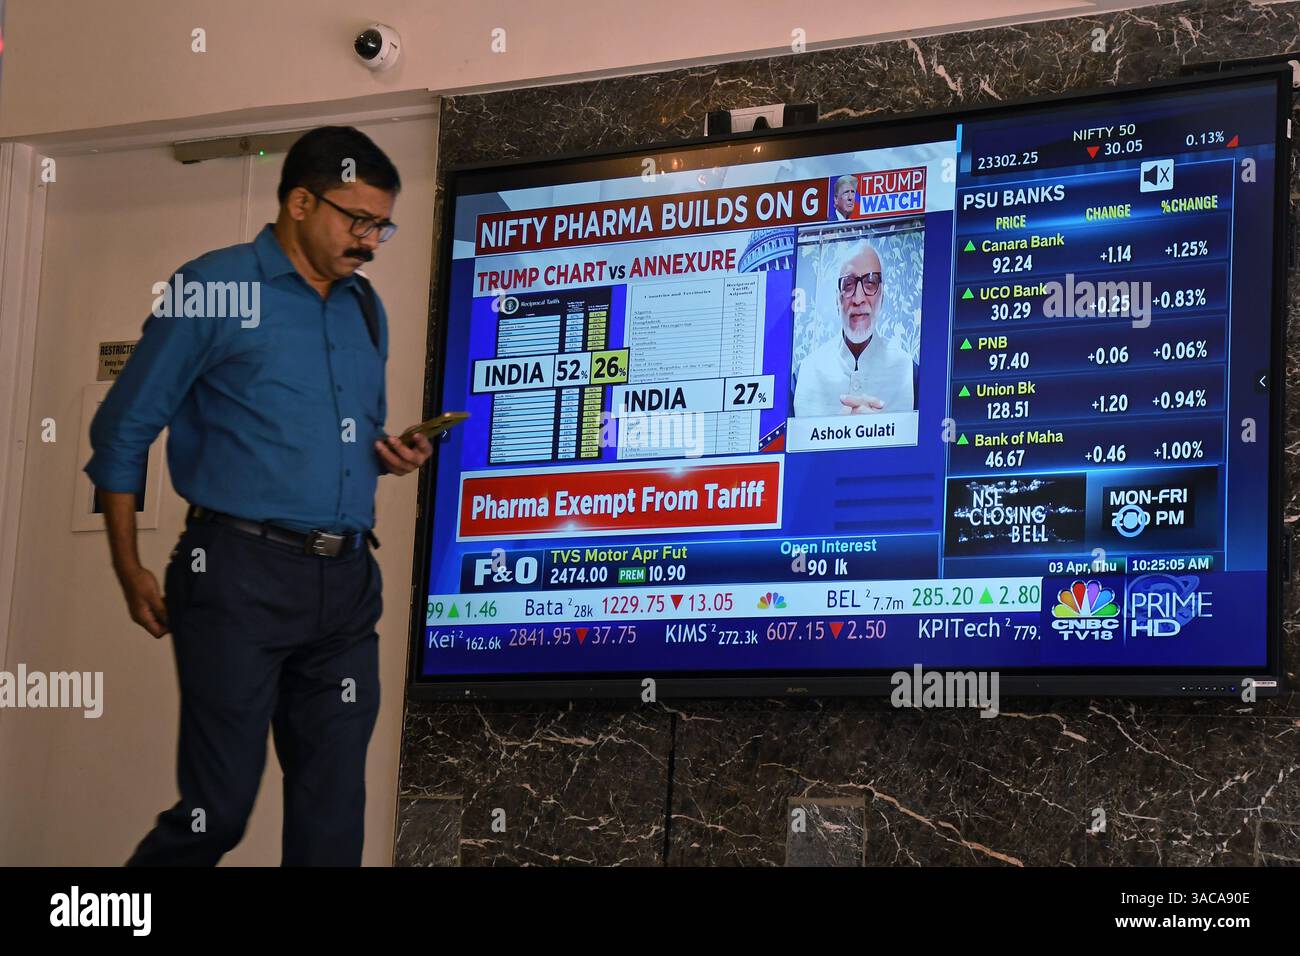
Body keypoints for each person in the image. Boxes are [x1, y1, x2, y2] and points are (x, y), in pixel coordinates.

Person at [84, 126, 434, 866]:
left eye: (382, 225)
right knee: (219, 810)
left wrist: (392, 455)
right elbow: (121, 433)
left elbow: (339, 439)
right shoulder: (215, 288)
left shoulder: (363, 309)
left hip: (344, 586)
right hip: (237, 573)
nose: (370, 241)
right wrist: (129, 569)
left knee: (333, 818)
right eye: (357, 220)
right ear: (301, 201)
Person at [792, 242, 914, 417]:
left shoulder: (910, 373)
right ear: (837, 298)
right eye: (848, 285)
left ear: (883, 296)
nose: (858, 298)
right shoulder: (803, 375)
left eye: (870, 283)